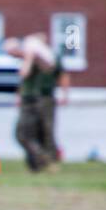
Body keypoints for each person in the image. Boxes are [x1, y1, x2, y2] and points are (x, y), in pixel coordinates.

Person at [12, 36, 53, 173]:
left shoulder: (32, 57)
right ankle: (36, 162)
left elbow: (24, 74)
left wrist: (29, 57)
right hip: (27, 100)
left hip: (33, 101)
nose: (12, 56)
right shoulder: (29, 56)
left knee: (23, 134)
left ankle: (42, 158)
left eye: (12, 52)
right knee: (27, 134)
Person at [38, 33, 66, 171]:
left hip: (47, 96)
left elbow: (63, 75)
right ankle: (39, 159)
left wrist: (64, 94)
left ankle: (53, 157)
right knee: (32, 130)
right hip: (32, 98)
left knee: (48, 128)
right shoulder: (31, 58)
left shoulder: (53, 57)